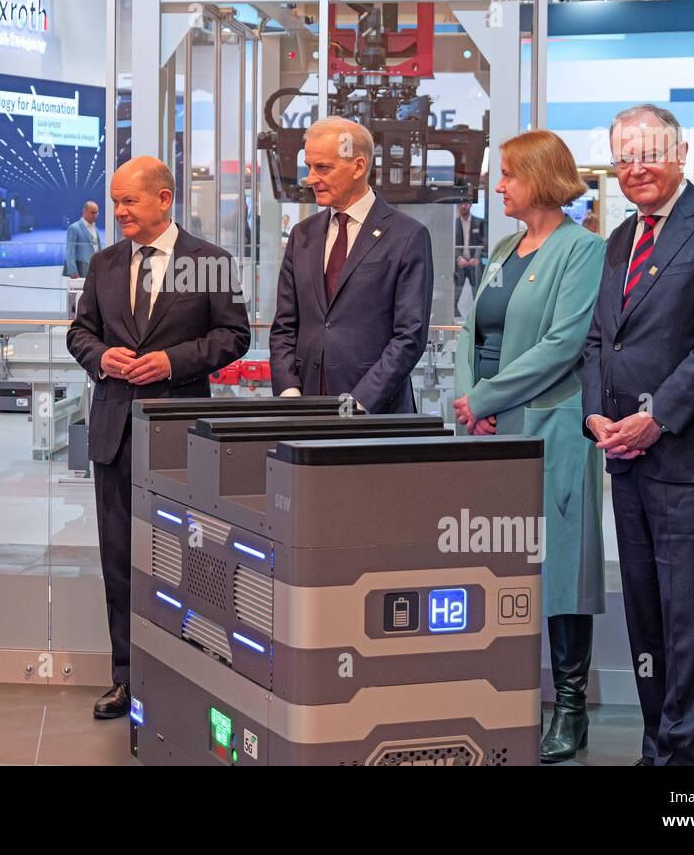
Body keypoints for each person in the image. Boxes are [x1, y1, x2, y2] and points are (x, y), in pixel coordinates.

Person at [582, 104, 694, 766]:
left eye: (648, 152)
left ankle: (680, 757)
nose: (635, 168)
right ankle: (656, 746)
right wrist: (595, 414)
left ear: (681, 152)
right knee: (645, 616)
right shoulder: (617, 241)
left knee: (685, 618)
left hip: (692, 455)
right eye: (622, 157)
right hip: (626, 455)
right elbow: (600, 338)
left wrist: (656, 416)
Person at [66, 156, 250, 721]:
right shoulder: (103, 263)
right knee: (120, 561)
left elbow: (234, 336)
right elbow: (80, 332)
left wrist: (171, 361)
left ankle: (186, 677)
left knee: (188, 560)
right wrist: (103, 359)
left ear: (164, 200)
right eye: (116, 201)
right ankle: (126, 678)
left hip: (181, 438)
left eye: (130, 201)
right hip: (115, 436)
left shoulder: (210, 262)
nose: (119, 211)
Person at [451, 130, 606, 763]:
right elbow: (468, 329)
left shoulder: (583, 250)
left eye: (509, 174)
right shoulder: (506, 248)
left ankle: (569, 707)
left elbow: (565, 344)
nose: (500, 185)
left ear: (540, 178)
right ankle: (499, 694)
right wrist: (470, 399)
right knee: (493, 563)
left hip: (551, 428)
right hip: (491, 429)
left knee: (561, 568)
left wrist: (484, 400)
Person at [270, 116, 433, 412]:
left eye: (323, 168)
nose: (310, 178)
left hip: (376, 415)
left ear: (358, 167)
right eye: (309, 166)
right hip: (304, 411)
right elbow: (284, 326)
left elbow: (410, 336)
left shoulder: (407, 236)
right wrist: (288, 392)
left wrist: (359, 403)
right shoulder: (302, 235)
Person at [453, 200, 486, 319]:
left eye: (466, 203)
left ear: (471, 205)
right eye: (460, 204)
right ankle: (455, 317)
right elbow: (451, 243)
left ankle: (479, 317)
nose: (463, 206)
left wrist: (477, 258)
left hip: (474, 264)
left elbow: (484, 243)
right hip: (460, 264)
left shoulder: (480, 222)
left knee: (477, 292)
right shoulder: (454, 224)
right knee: (455, 293)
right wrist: (459, 257)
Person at [63, 201, 101, 280]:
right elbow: (70, 252)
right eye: (92, 213)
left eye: (96, 213)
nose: (94, 215)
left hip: (96, 270)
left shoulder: (95, 229)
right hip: (81, 270)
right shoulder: (74, 228)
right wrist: (73, 272)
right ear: (84, 211)